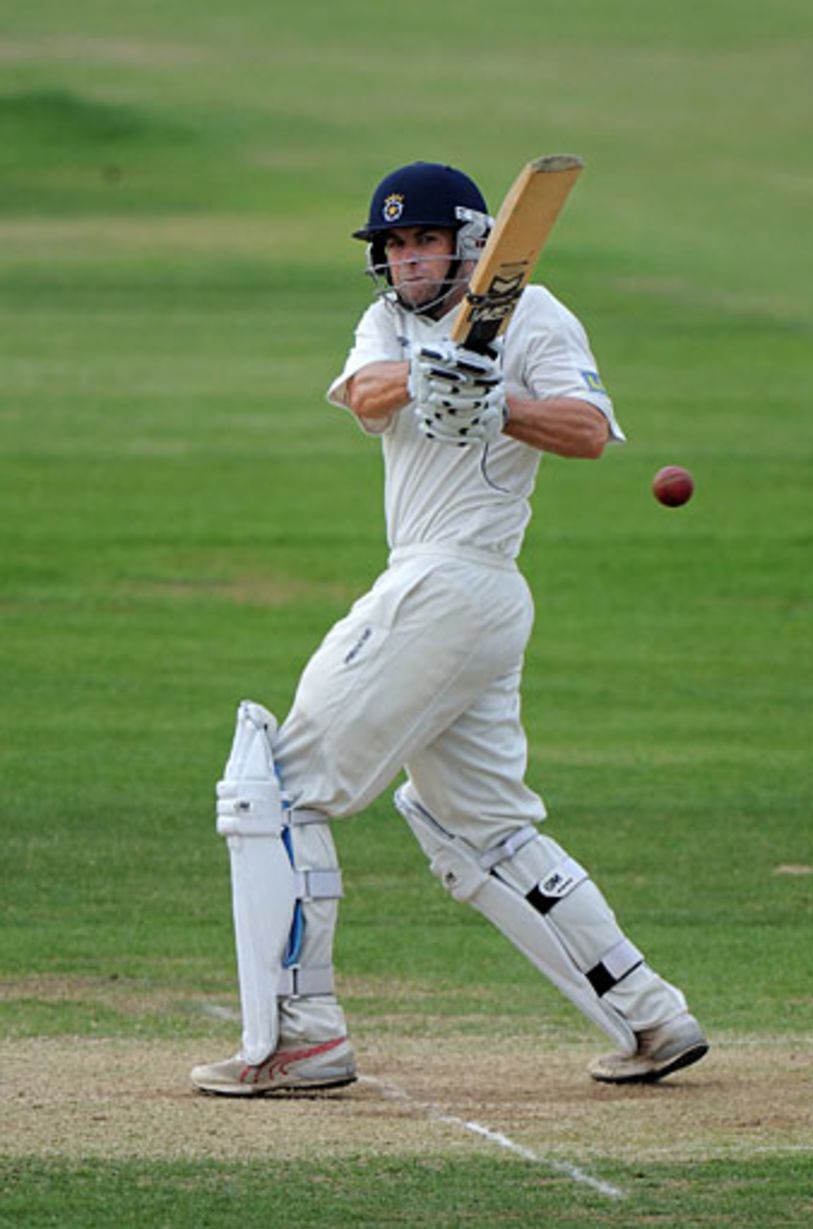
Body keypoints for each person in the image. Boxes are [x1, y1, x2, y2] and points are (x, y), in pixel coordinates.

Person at [190, 161, 707, 1096]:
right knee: (484, 832)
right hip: (454, 598)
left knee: (279, 788)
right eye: (392, 247)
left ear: (470, 244)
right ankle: (650, 1014)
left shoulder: (536, 315)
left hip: (458, 579)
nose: (405, 260)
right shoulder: (392, 320)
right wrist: (437, 370)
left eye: (422, 241)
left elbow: (589, 430)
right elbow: (362, 392)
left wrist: (501, 402)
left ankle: (302, 1035)